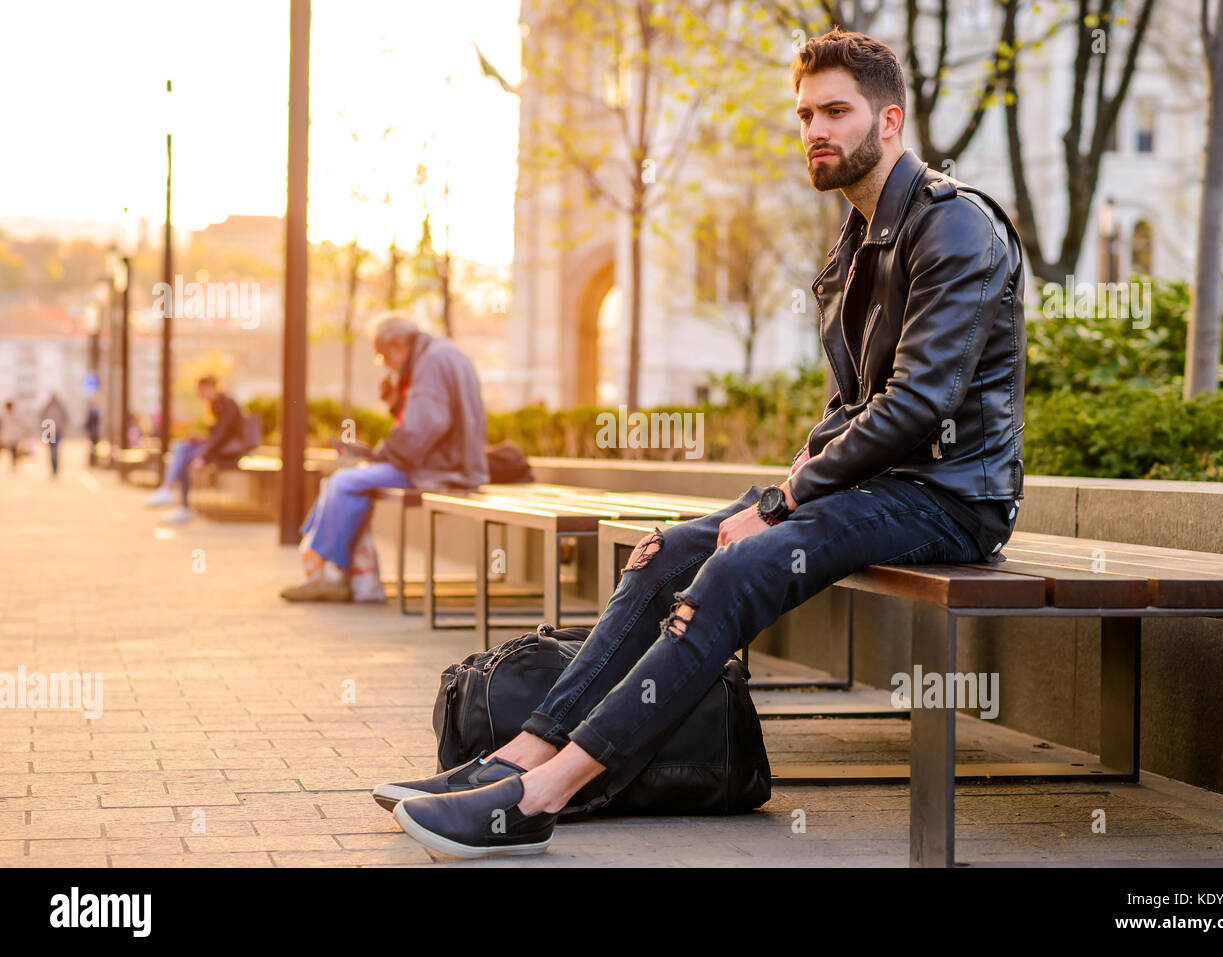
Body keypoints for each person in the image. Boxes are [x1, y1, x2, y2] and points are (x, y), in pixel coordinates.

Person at [377, 28, 1027, 859]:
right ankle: (515, 753)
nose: (815, 131)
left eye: (836, 111)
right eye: (804, 116)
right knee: (662, 554)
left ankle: (541, 797)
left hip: (952, 496)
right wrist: (776, 490)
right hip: (875, 486)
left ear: (890, 120)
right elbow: (847, 407)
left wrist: (783, 501)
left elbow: (919, 404)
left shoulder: (956, 229)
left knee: (738, 566)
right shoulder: (854, 241)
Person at [280, 312, 490, 602]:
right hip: (445, 461)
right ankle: (328, 567)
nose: (384, 363)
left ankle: (331, 573)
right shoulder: (440, 353)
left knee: (345, 482)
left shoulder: (431, 362)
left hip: (442, 469)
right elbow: (431, 422)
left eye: (381, 355)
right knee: (346, 480)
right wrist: (395, 407)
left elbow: (422, 431)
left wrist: (382, 455)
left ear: (397, 344)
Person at [145, 375, 246, 523]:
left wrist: (203, 457)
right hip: (219, 449)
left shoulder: (226, 404)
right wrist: (200, 438)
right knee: (181, 447)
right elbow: (216, 435)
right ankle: (172, 496)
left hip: (228, 454)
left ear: (210, 387)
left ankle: (172, 495)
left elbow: (222, 436)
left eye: (201, 391)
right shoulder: (217, 404)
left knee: (183, 456)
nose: (200, 395)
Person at [38, 393, 68, 477]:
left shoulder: (61, 407)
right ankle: (52, 468)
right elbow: (41, 417)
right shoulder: (47, 407)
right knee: (51, 451)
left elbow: (66, 418)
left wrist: (62, 427)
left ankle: (56, 468)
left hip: (58, 432)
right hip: (49, 432)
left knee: (56, 450)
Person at [0, 400, 23, 469]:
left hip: (13, 436)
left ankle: (13, 465)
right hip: (6, 436)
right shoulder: (3, 414)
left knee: (13, 451)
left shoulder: (16, 414)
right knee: (6, 450)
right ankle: (12, 464)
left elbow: (20, 425)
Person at [85, 395, 102, 467]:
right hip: (95, 431)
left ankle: (93, 461)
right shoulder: (96, 411)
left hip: (94, 431)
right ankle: (93, 461)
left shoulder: (94, 411)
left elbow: (88, 422)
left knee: (93, 447)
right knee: (94, 447)